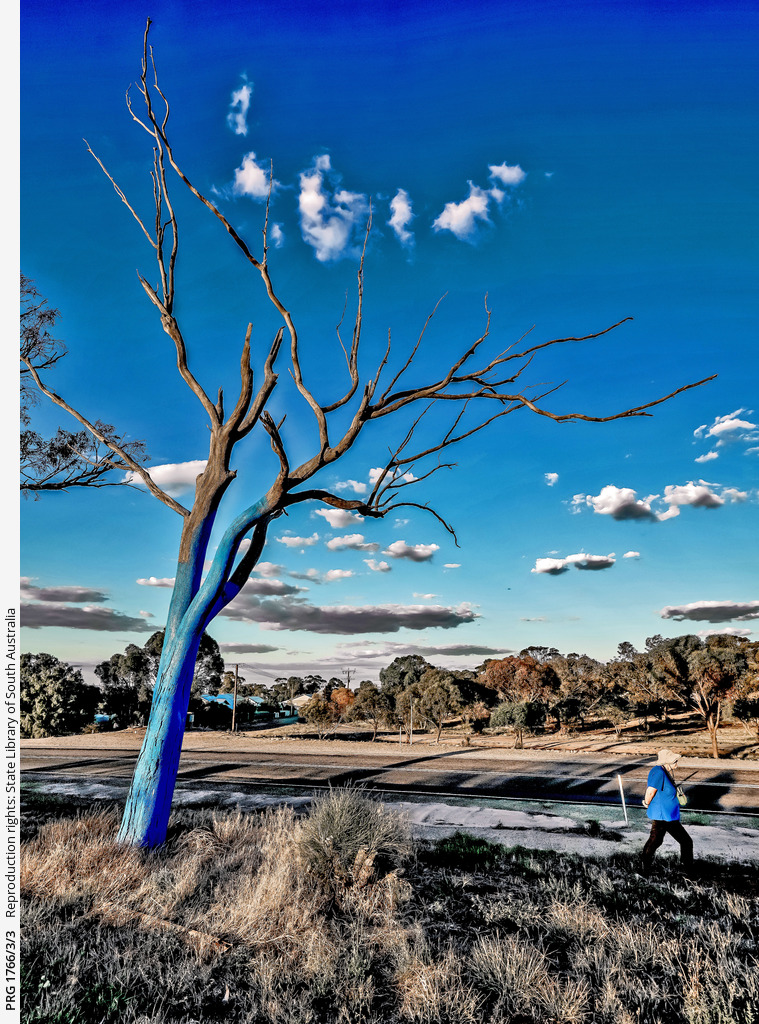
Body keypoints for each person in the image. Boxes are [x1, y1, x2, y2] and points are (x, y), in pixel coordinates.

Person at [641, 748, 693, 875]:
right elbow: (651, 790)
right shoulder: (658, 772)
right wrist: (647, 803)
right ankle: (689, 871)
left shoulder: (665, 771)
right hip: (663, 816)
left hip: (668, 815)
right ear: (666, 762)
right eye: (675, 761)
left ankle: (644, 867)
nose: (677, 764)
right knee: (685, 841)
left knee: (656, 840)